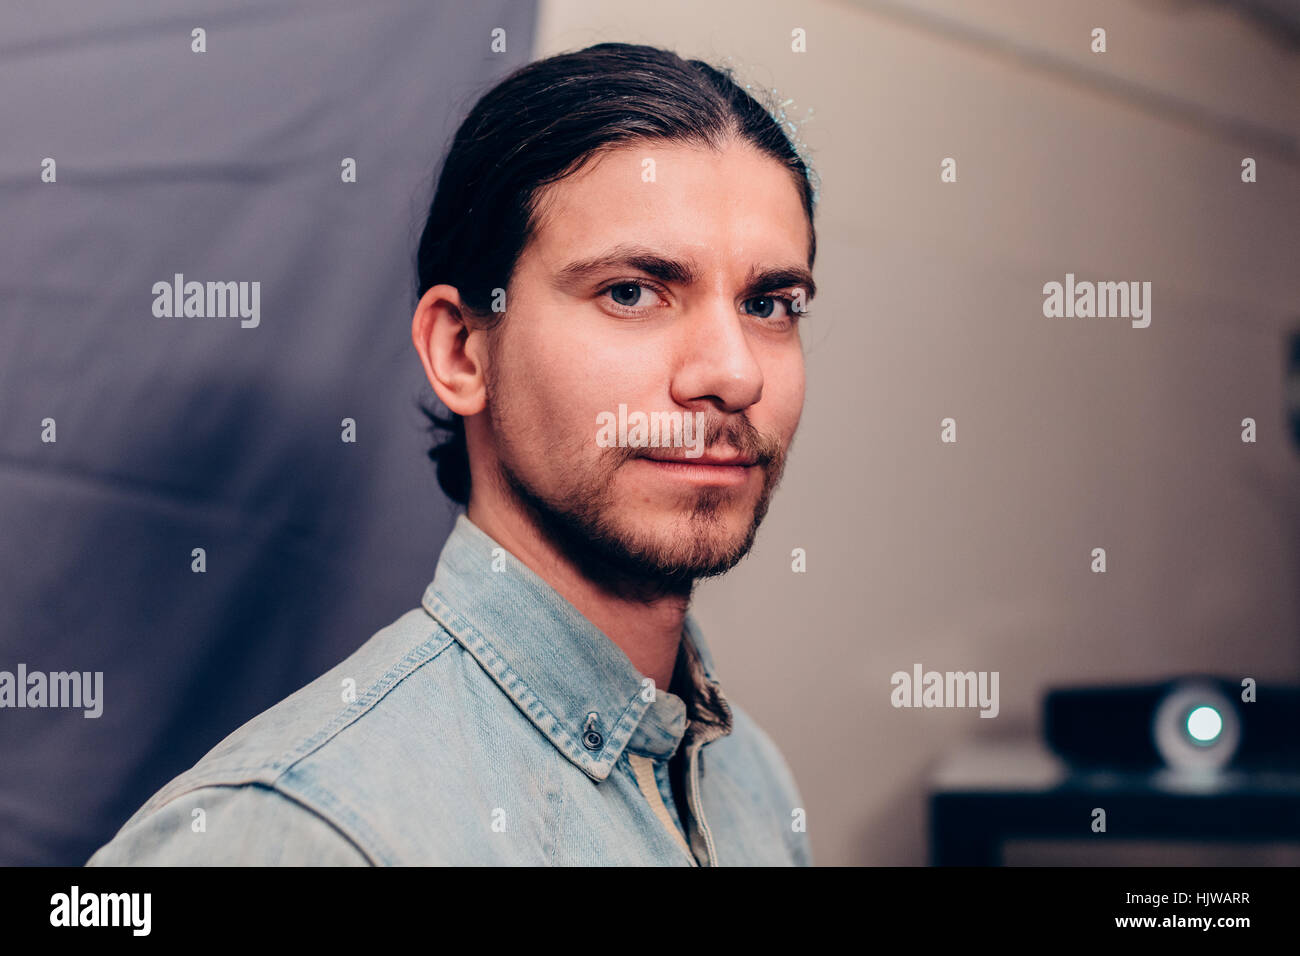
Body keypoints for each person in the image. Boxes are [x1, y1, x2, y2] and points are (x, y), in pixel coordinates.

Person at [88, 41, 818, 866]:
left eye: (770, 303)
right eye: (631, 292)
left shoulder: (750, 779)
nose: (733, 372)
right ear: (462, 352)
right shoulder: (298, 833)